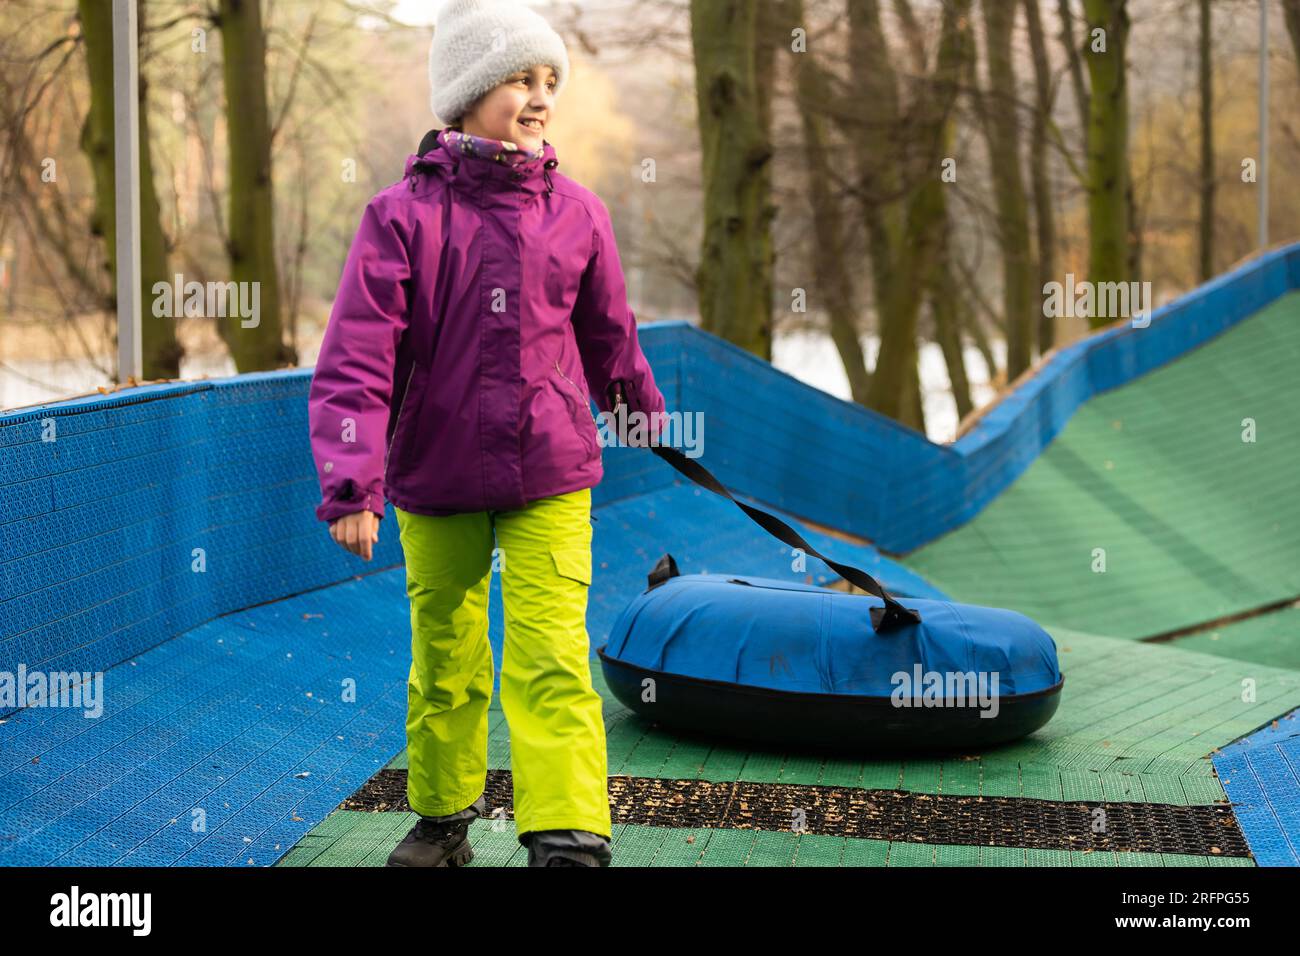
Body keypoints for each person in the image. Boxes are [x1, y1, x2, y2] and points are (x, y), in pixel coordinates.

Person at [308, 0, 665, 867]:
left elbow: (608, 332)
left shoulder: (578, 213)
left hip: (550, 469)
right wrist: (354, 485)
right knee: (447, 661)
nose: (540, 97)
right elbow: (359, 358)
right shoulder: (401, 218)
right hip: (436, 475)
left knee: (550, 658)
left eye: (549, 81)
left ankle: (567, 832)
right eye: (519, 79)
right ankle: (441, 822)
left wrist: (640, 407)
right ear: (465, 94)